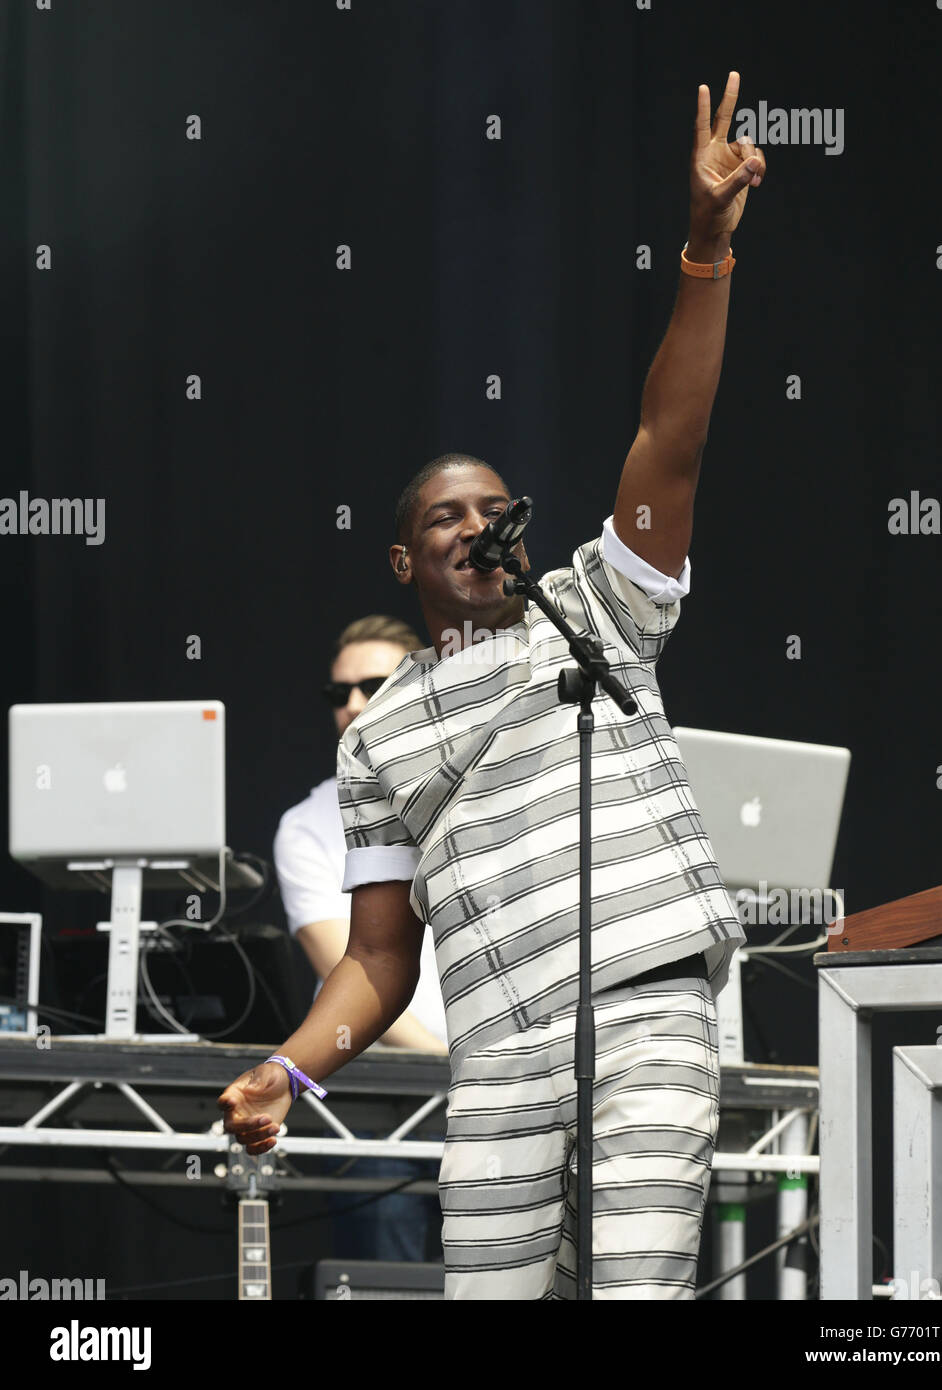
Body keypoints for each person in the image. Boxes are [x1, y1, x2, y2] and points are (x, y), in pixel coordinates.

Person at [220, 72, 766, 1299]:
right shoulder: (378, 739)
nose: (476, 523)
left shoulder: (595, 606)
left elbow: (670, 437)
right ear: (407, 558)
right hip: (498, 1039)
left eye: (491, 506)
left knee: (635, 1286)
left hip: (643, 1005)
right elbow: (375, 960)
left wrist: (703, 253)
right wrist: (291, 1068)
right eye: (443, 516)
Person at [273, 615, 447, 1261]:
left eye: (373, 686)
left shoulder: (482, 798)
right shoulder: (307, 826)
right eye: (338, 693)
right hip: (379, 1096)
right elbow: (359, 969)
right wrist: (453, 1071)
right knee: (384, 1282)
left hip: (496, 1085)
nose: (351, 705)